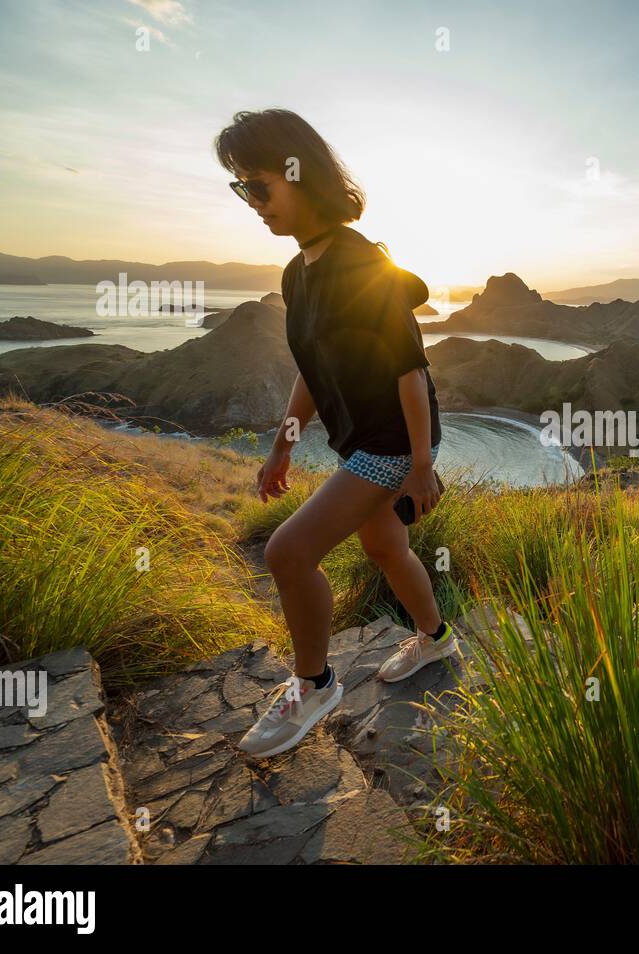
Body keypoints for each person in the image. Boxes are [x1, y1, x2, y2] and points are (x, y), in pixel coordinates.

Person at [215, 109, 457, 759]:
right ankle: (437, 638)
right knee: (385, 546)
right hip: (363, 439)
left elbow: (411, 373)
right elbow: (314, 371)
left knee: (287, 553)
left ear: (303, 174)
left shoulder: (364, 265)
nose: (252, 203)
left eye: (259, 185)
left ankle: (315, 683)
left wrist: (422, 463)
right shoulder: (299, 273)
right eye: (241, 189)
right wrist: (282, 445)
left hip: (392, 443)